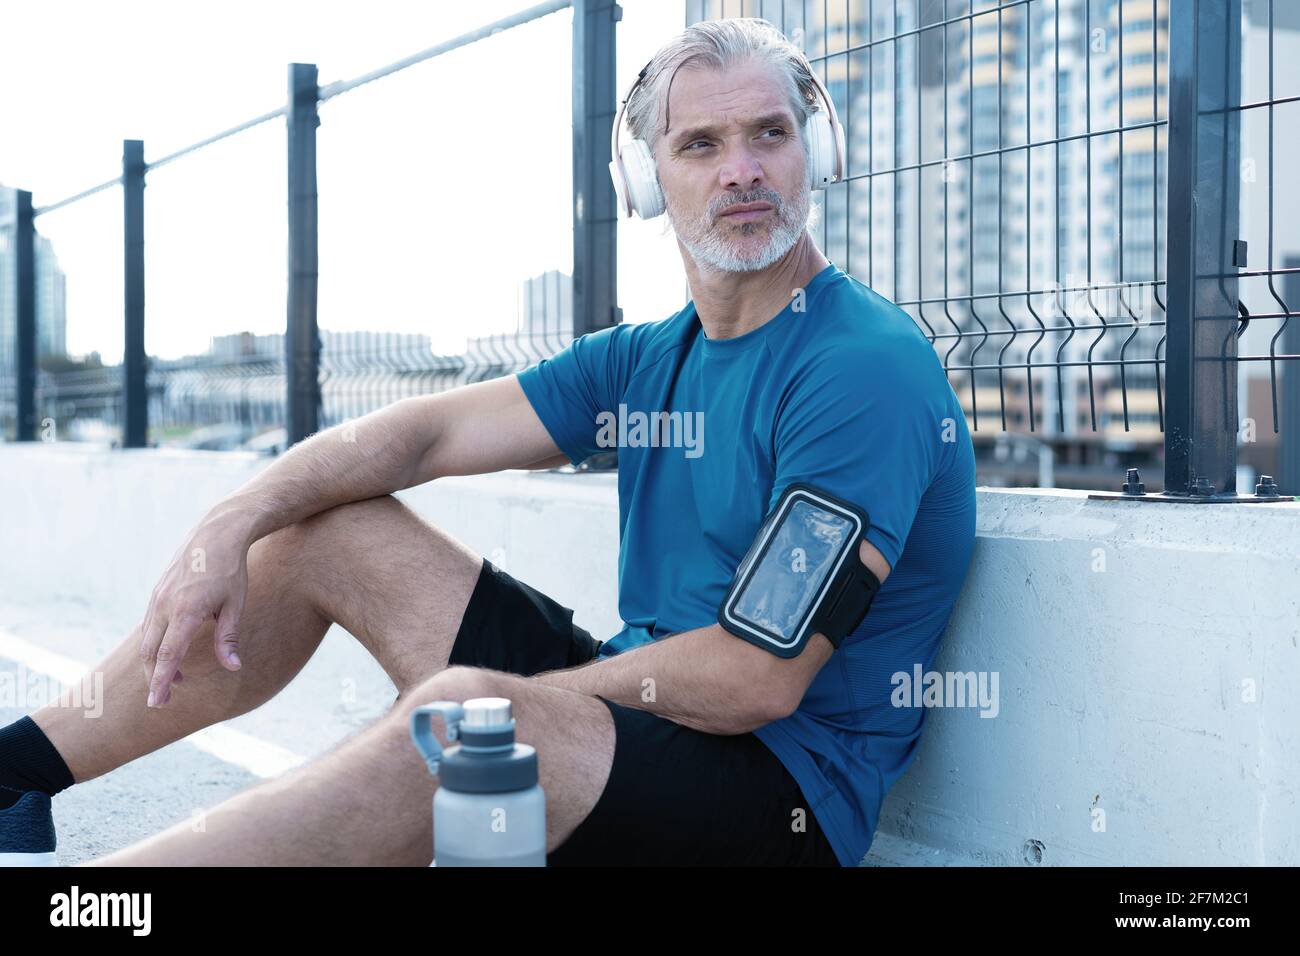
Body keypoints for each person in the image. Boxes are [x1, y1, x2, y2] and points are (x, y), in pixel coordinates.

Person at [0, 16, 975, 866]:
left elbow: (759, 675)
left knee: (463, 722)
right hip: (638, 708)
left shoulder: (859, 367)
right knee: (322, 531)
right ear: (643, 180)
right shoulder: (648, 357)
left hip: (774, 797)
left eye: (770, 134)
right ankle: (15, 773)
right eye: (700, 144)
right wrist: (231, 516)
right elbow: (423, 433)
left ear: (817, 151)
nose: (742, 170)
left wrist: (519, 699)